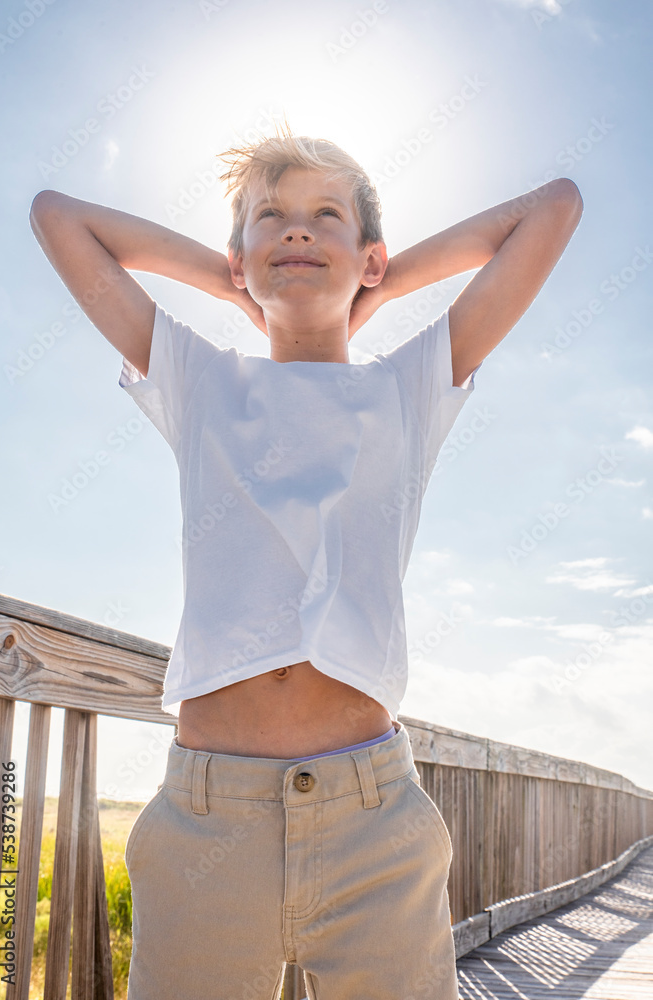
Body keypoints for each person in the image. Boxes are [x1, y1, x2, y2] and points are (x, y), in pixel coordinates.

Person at [29, 123, 583, 1000]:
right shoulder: (201, 381)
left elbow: (553, 207)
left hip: (374, 825)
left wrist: (378, 277)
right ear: (238, 255)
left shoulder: (406, 387)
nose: (297, 229)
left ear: (368, 256)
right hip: (209, 822)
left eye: (325, 215)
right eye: (271, 218)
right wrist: (231, 275)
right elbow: (57, 217)